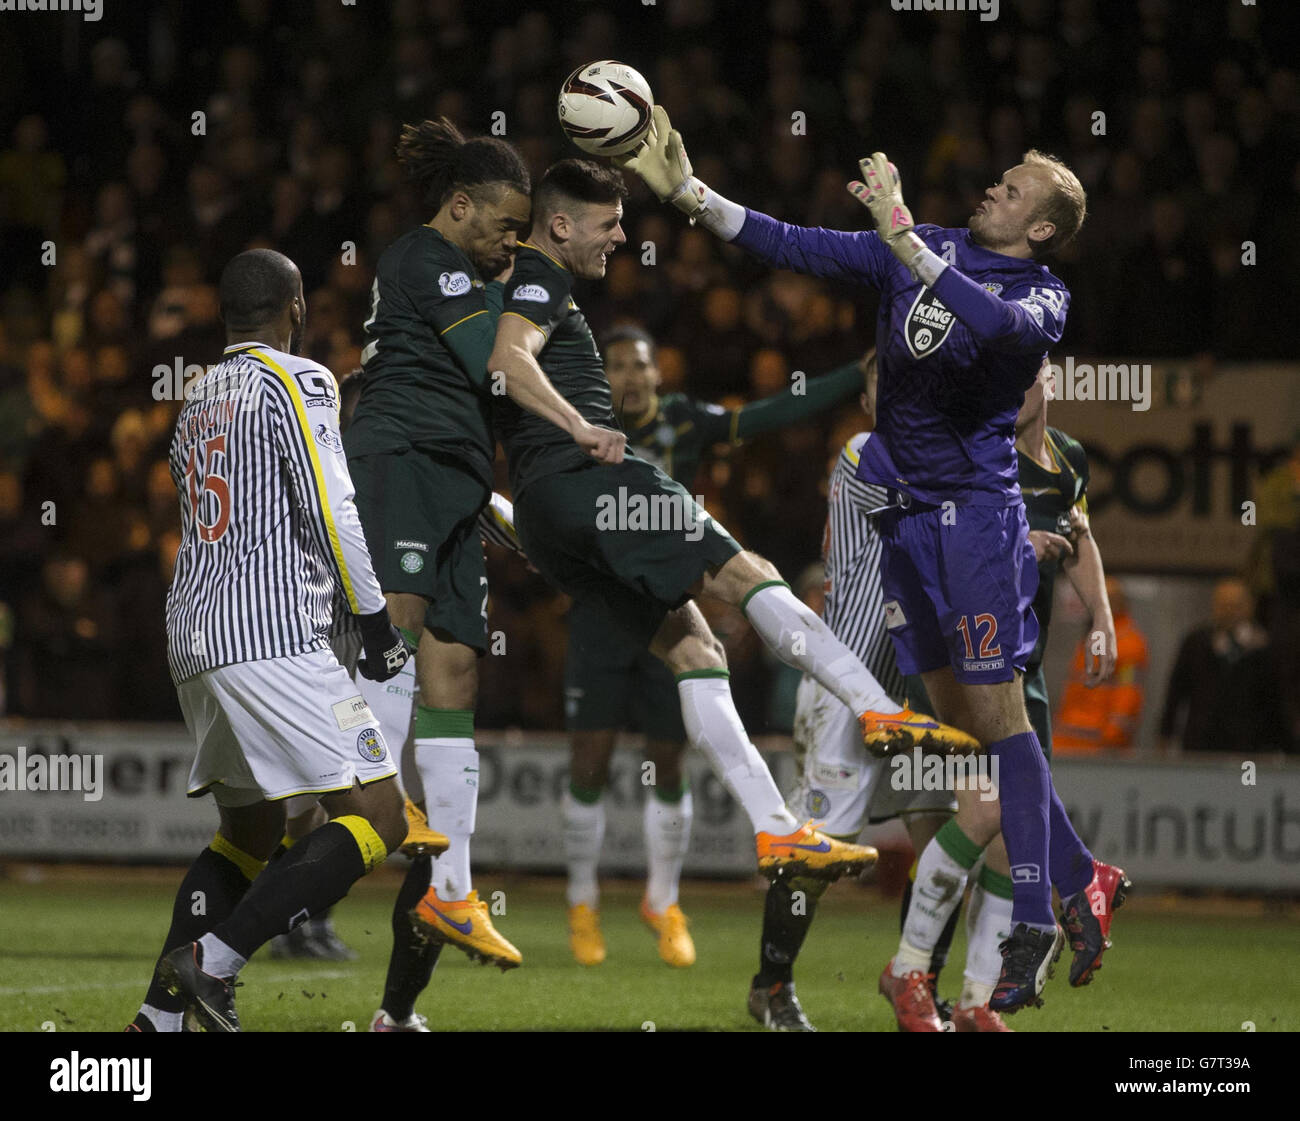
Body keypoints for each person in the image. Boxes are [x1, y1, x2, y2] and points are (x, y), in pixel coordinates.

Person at [619, 107, 1114, 1011]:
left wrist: (909, 249)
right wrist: (690, 195)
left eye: (1011, 190)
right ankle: (1078, 878)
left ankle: (1036, 911)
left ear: (1040, 228)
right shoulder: (914, 244)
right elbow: (793, 243)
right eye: (996, 179)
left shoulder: (1041, 295)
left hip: (973, 514)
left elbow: (998, 330)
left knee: (999, 737)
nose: (990, 189)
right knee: (965, 736)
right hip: (911, 537)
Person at [489, 160, 979, 902]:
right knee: (748, 573)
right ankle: (877, 709)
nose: (623, 236)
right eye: (608, 222)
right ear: (559, 225)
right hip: (592, 483)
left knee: (694, 645)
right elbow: (511, 356)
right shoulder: (539, 278)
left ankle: (776, 823)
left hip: (548, 519)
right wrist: (580, 424)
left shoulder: (482, 294)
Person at [343, 118, 618, 974]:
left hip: (456, 476)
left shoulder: (465, 263)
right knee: (401, 622)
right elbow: (492, 361)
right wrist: (539, 299)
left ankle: (454, 887)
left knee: (457, 663)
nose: (513, 240)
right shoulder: (424, 259)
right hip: (406, 455)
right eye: (504, 225)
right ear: (459, 207)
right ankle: (370, 793)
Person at [131, 248, 413, 1032]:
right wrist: (377, 621)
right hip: (272, 633)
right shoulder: (302, 378)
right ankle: (212, 962)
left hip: (193, 632)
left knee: (250, 829)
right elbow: (333, 507)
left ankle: (157, 1021)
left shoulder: (193, 399)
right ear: (295, 306)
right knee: (382, 816)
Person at [563, 326, 866, 968]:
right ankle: (583, 901)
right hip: (599, 614)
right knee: (588, 763)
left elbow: (770, 413)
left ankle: (663, 901)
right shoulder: (580, 425)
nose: (630, 377)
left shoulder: (684, 421)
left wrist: (851, 376)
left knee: (668, 763)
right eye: (616, 366)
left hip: (670, 611)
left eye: (640, 365)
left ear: (657, 373)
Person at [883, 360, 1128, 1032]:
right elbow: (932, 533)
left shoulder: (1067, 457)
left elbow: (1081, 534)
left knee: (1009, 833)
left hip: (1021, 660)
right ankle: (910, 968)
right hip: (958, 651)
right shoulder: (966, 451)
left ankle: (975, 1000)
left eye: (1020, 374)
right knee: (990, 808)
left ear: (1049, 379)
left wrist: (1101, 619)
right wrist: (1014, 540)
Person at [746, 351, 958, 1031]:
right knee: (818, 856)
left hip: (924, 689)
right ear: (868, 399)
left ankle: (916, 980)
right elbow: (935, 528)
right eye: (882, 384)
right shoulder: (864, 454)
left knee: (947, 844)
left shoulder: (949, 459)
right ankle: (771, 984)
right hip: (853, 686)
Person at [1158, 577, 1290, 754]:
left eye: (1235, 605)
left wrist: (1285, 747)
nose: (1229, 611)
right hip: (1201, 745)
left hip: (1249, 748)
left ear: (1250, 606)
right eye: (1223, 605)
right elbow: (1175, 692)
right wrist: (1165, 733)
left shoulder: (1266, 648)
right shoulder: (1195, 643)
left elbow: (1277, 701)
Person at [1054, 577, 1148, 753]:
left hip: (1098, 746)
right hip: (1069, 741)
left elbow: (1128, 693)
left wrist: (1113, 737)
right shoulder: (1093, 637)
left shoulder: (1128, 644)